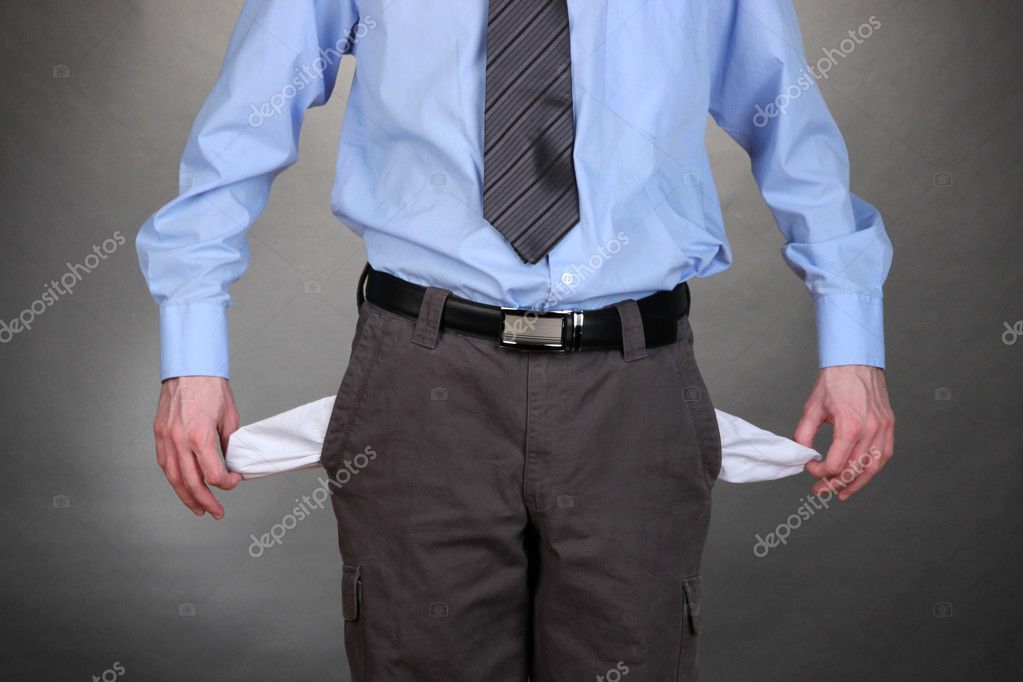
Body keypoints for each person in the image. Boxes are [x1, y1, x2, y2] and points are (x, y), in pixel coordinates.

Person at [136, 1, 895, 679]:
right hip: (421, 379)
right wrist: (193, 354)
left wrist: (851, 338)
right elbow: (243, 126)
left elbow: (786, 118)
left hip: (633, 389)